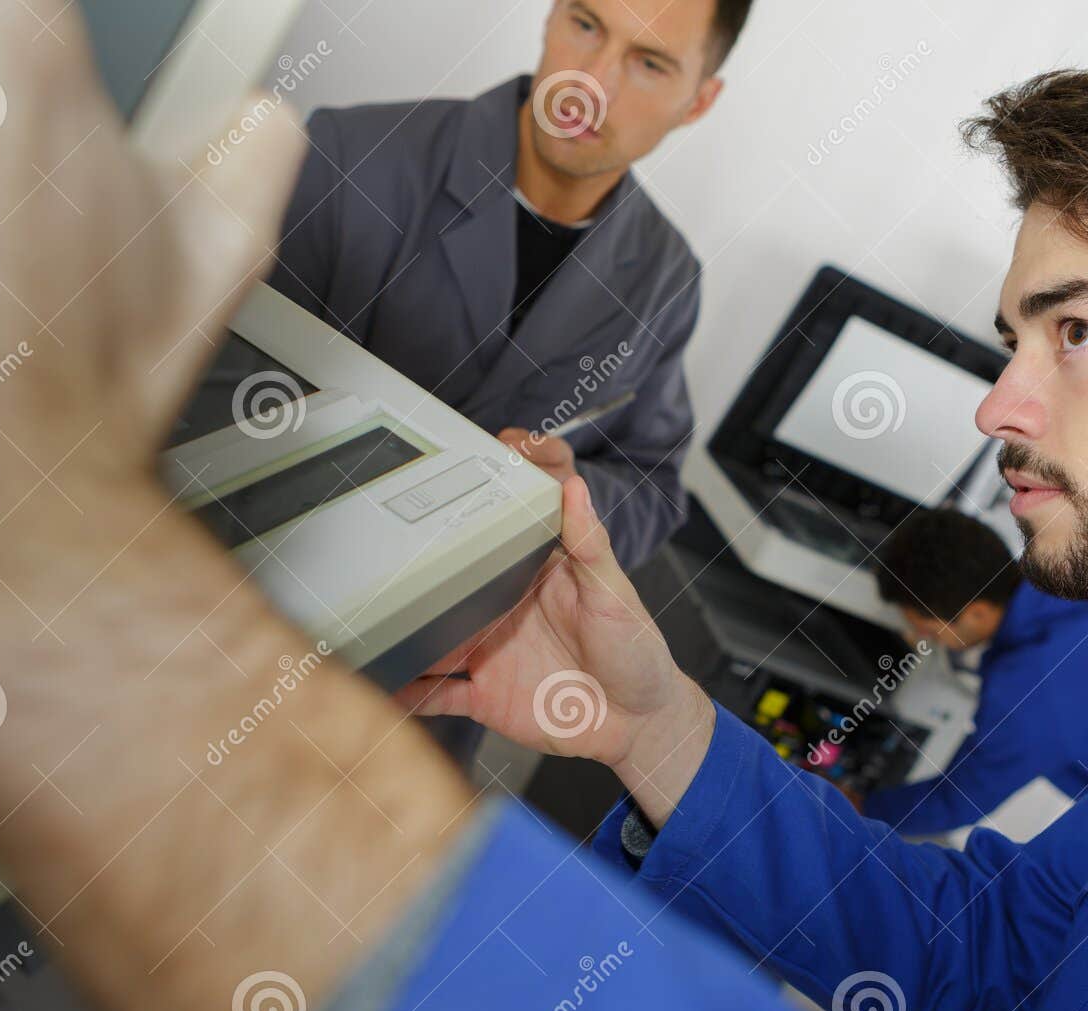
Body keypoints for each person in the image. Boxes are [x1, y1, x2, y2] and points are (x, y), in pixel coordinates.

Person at [0, 6, 1088, 1011]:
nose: (997, 409)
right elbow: (979, 962)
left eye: (1077, 332)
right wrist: (656, 724)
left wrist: (69, 609)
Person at [267, 0, 752, 767]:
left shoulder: (666, 276)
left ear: (699, 101)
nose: (590, 83)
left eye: (649, 62)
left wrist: (568, 498)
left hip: (435, 706)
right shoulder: (350, 156)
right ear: (554, 14)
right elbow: (201, 403)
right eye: (587, 25)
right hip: (245, 635)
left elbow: (651, 486)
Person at [860, 508, 1088, 835]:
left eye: (928, 630)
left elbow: (956, 802)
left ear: (976, 613)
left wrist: (857, 807)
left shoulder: (1032, 691)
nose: (918, 638)